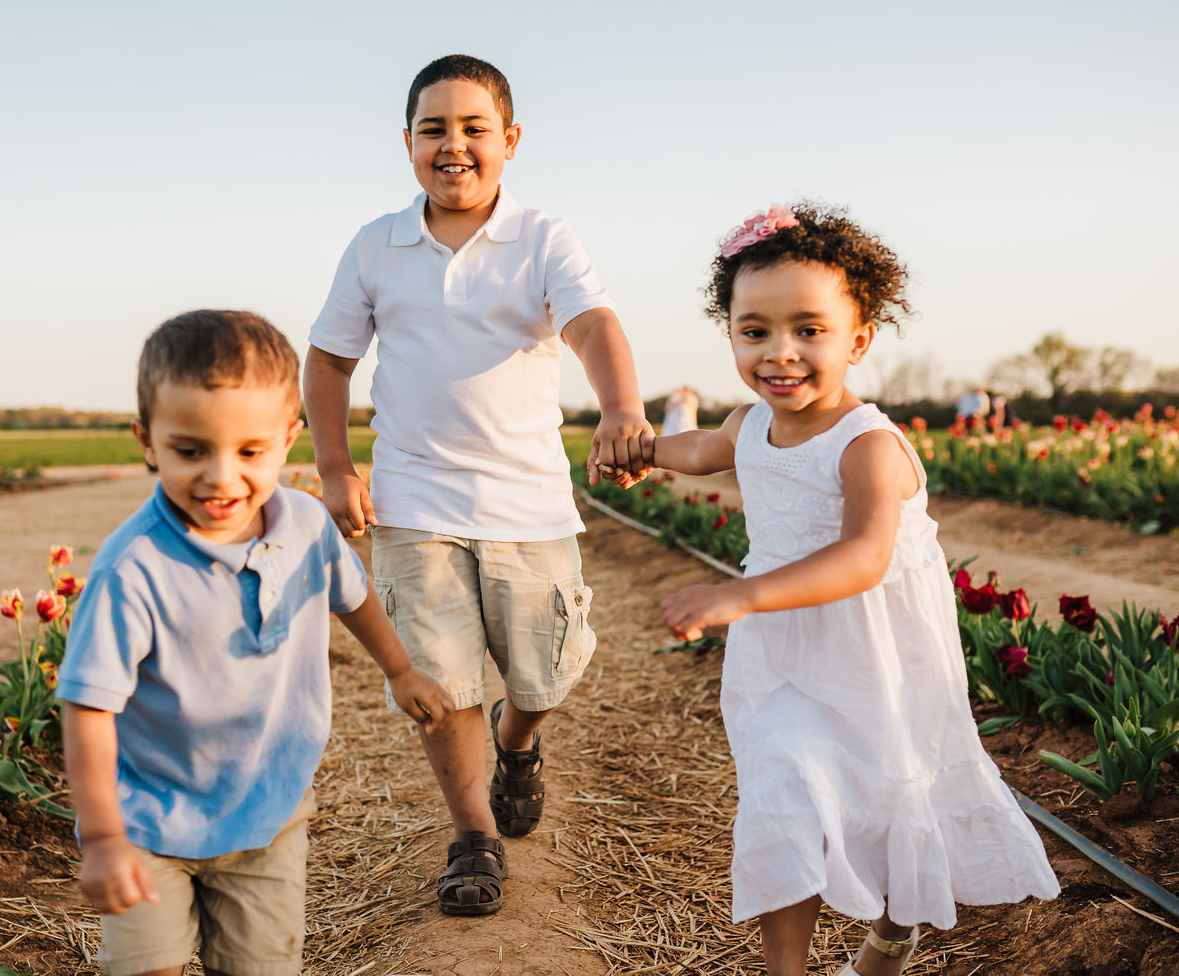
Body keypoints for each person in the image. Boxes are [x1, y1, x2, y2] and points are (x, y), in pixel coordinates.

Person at [614, 204, 1058, 976]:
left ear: (858, 340)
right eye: (755, 330)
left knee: (891, 797)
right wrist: (643, 449)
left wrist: (738, 596)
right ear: (730, 335)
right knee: (783, 799)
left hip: (875, 653)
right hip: (784, 653)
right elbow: (704, 448)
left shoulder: (868, 445)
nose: (779, 352)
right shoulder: (749, 423)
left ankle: (891, 933)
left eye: (809, 329)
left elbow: (862, 558)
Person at [304, 54, 653, 916]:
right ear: (407, 143)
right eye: (434, 129)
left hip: (528, 501)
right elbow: (329, 361)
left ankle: (517, 738)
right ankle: (472, 834)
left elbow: (593, 325)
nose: (453, 144)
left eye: (473, 128)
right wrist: (337, 466)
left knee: (541, 676)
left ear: (510, 140)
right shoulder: (376, 245)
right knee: (441, 680)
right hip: (414, 500)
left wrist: (621, 407)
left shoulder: (542, 237)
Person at [59, 310, 453, 976]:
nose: (221, 478)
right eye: (190, 451)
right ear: (147, 441)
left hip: (269, 810)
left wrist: (401, 669)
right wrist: (100, 837)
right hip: (148, 823)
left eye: (249, 452)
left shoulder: (306, 525)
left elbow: (352, 595)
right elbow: (88, 706)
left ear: (289, 439)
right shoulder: (133, 568)